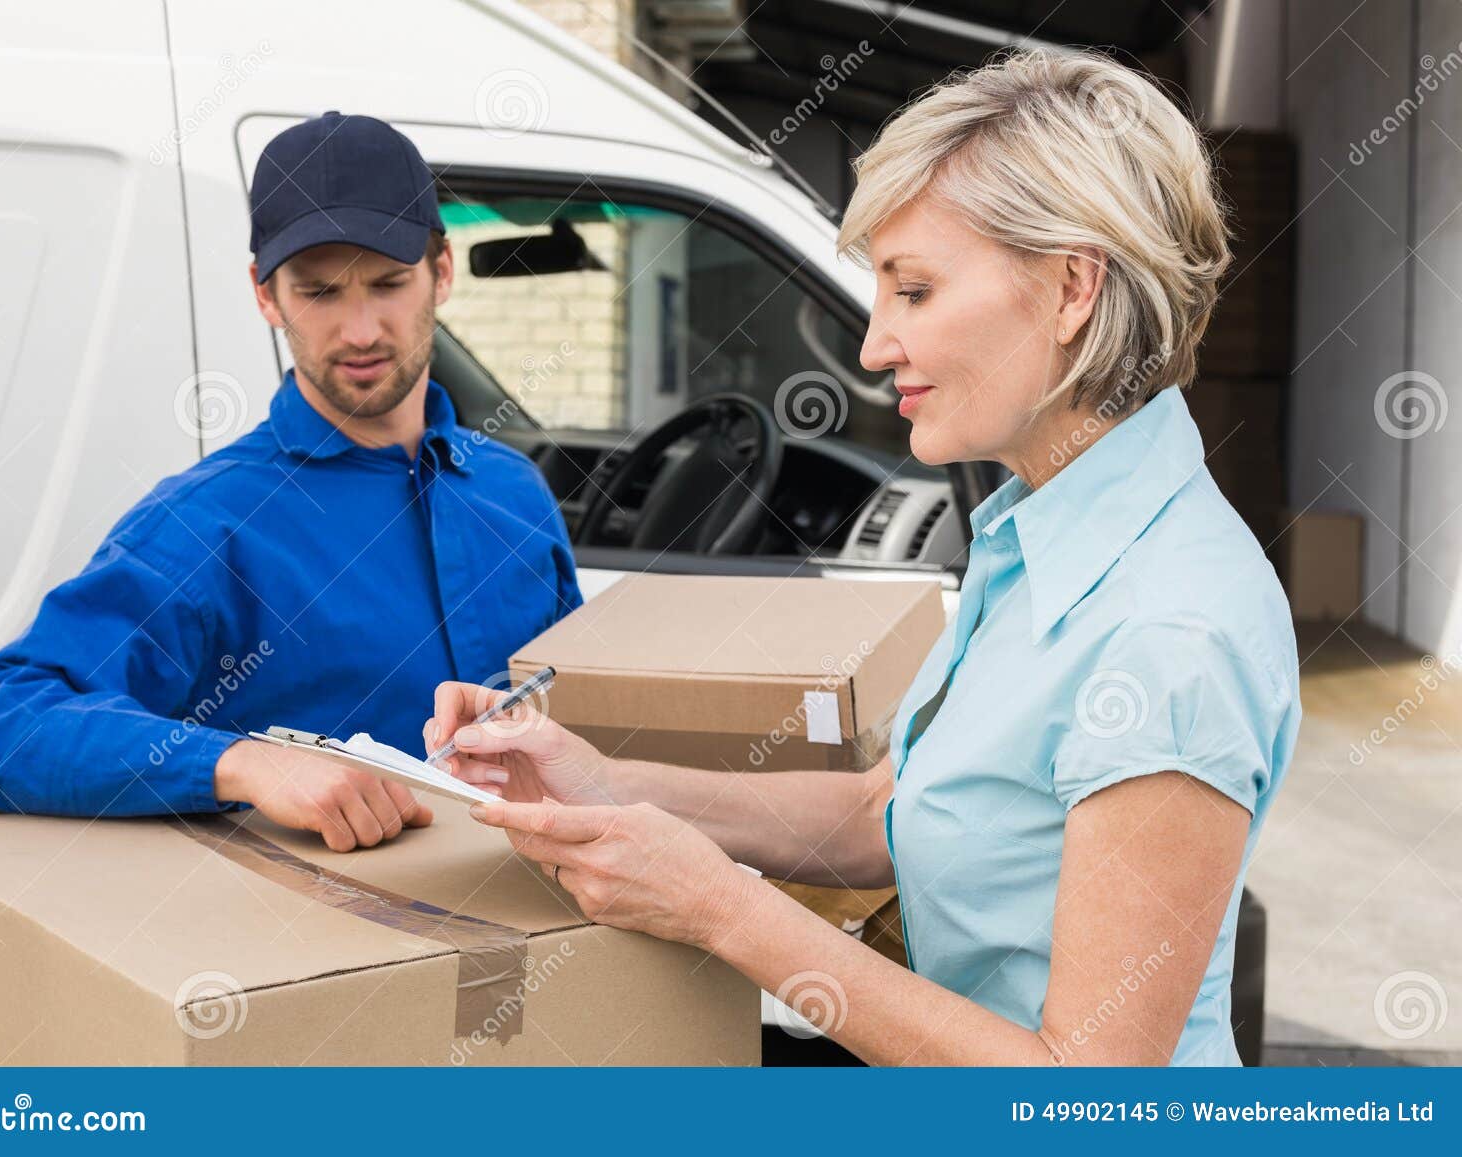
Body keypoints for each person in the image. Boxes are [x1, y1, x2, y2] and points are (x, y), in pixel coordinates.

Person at [428, 50, 1300, 1065]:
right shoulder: (1042, 533)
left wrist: (719, 908)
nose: (874, 343)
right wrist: (608, 784)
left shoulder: (1166, 634)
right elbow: (892, 807)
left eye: (915, 290)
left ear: (1071, 289)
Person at [0, 112, 581, 852]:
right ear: (265, 295)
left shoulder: (515, 492)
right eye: (320, 292)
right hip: (342, 954)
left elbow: (579, 722)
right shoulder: (206, 524)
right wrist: (244, 763)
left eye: (388, 283)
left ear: (442, 272)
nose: (361, 329)